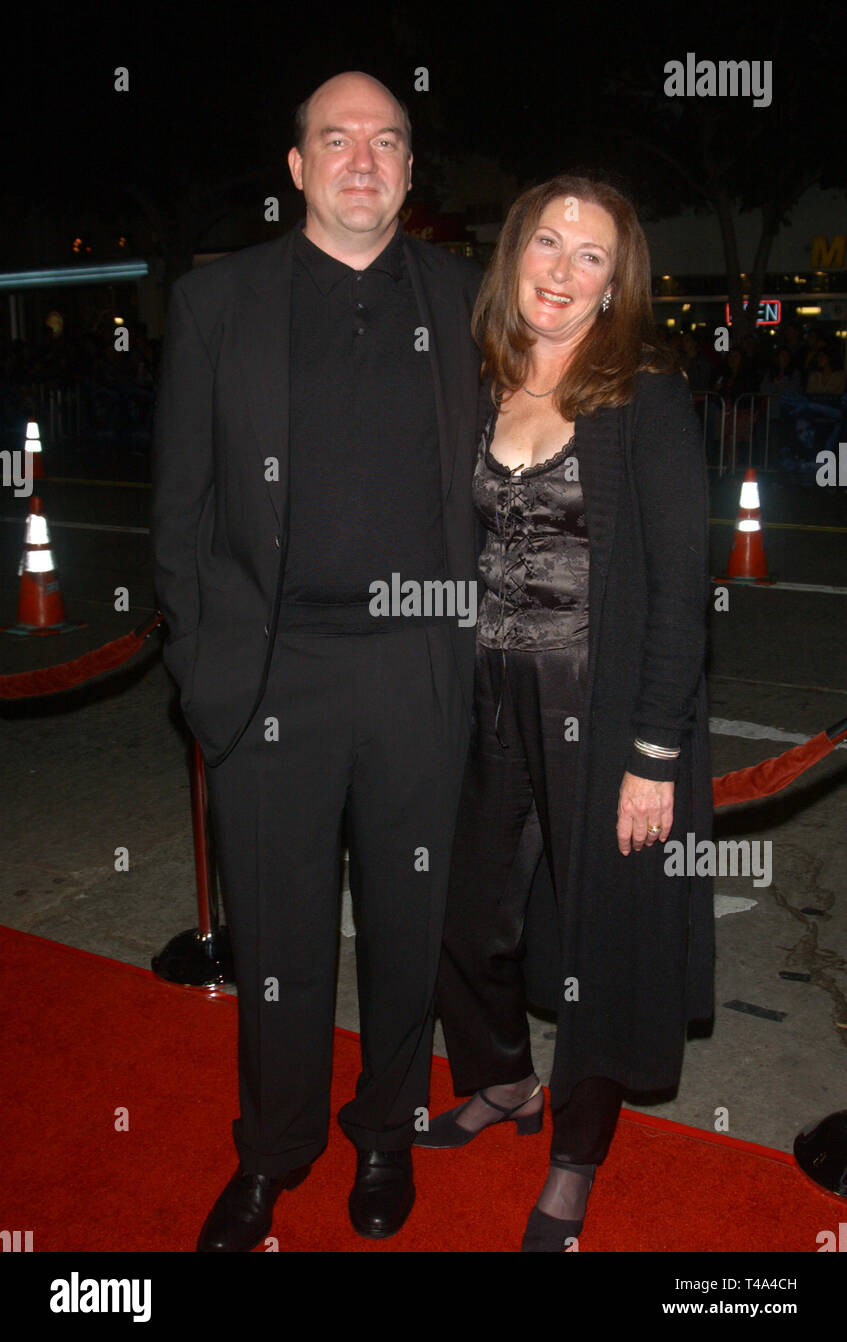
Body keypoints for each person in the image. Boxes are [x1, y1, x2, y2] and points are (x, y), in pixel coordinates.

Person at [150, 71, 486, 1250]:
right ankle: (274, 1152)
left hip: (417, 676)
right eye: (334, 139)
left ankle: (385, 1131)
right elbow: (180, 514)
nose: (361, 158)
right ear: (295, 168)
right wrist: (204, 675)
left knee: (407, 928)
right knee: (280, 942)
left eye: (385, 141)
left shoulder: (463, 298)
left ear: (407, 170)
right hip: (270, 678)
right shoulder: (219, 305)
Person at [414, 175, 714, 1252]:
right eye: (548, 241)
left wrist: (653, 753)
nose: (562, 269)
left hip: (601, 704)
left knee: (602, 935)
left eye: (591, 255)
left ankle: (576, 1157)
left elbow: (683, 586)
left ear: (615, 282)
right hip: (481, 698)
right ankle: (501, 1079)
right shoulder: (476, 379)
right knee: (460, 909)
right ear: (514, 254)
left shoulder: (647, 395)